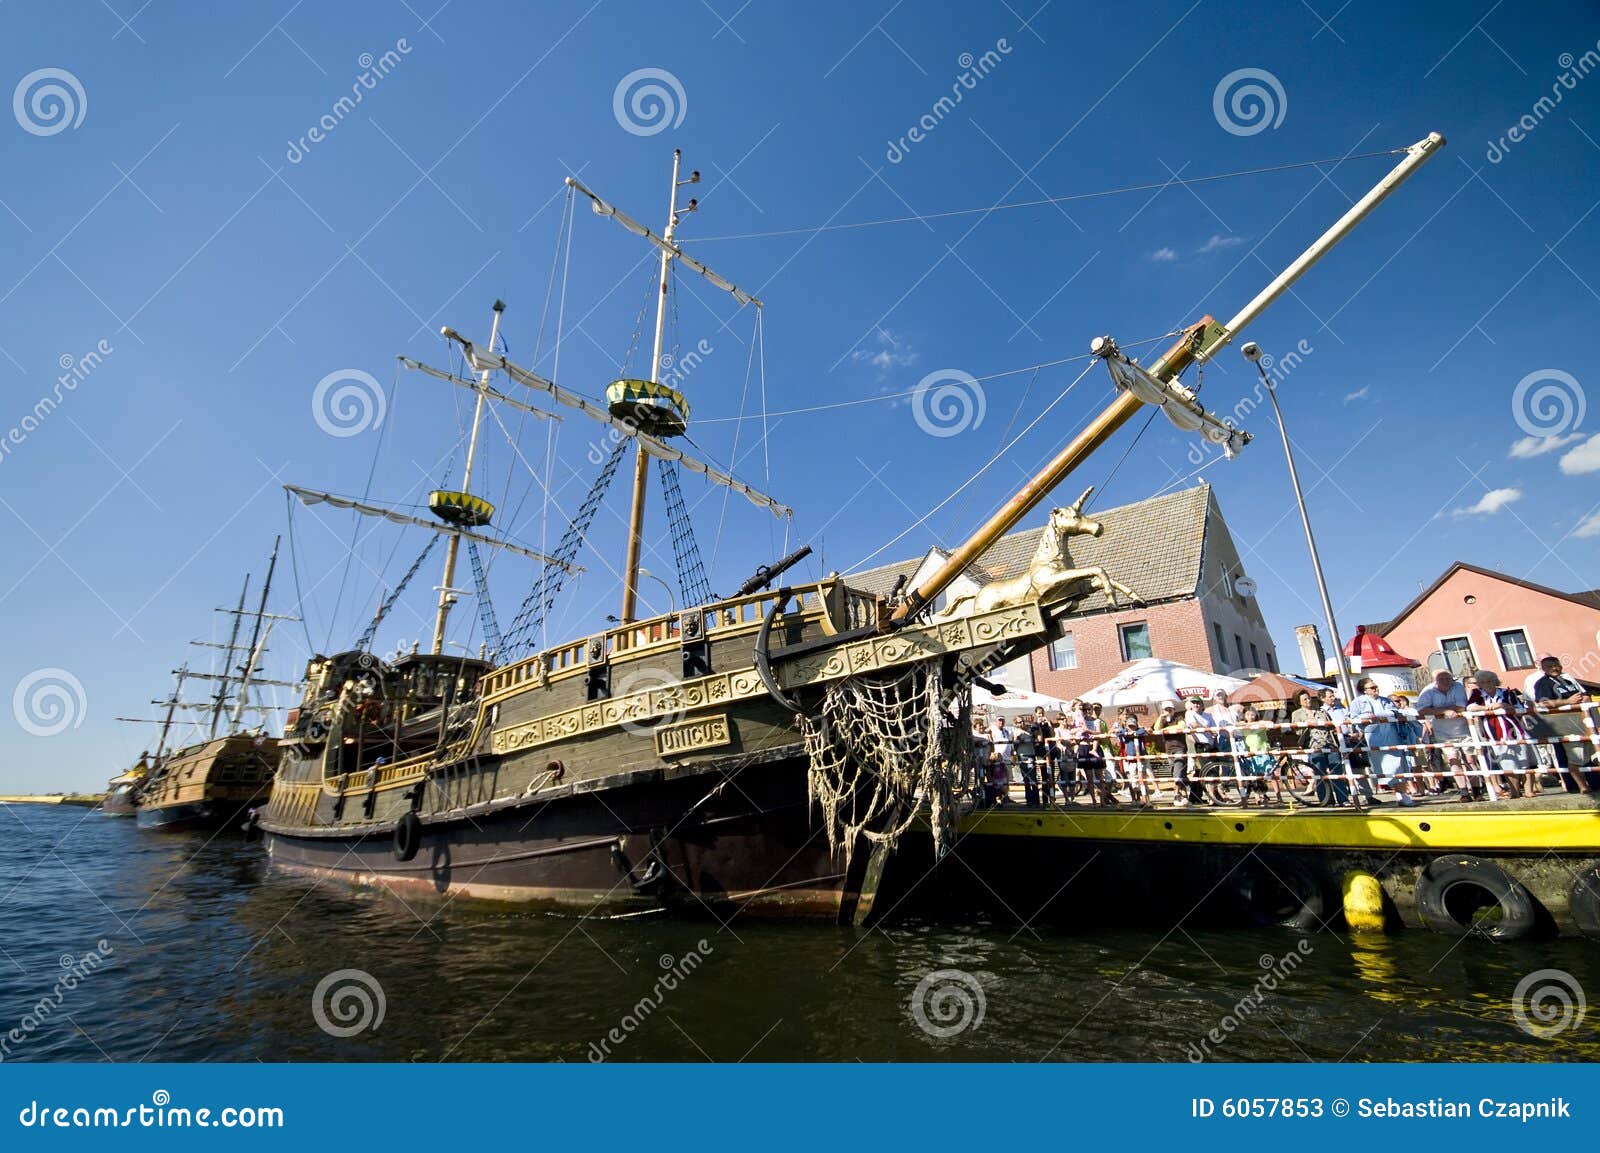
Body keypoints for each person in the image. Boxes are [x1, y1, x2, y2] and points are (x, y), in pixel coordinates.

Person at [1529, 656, 1599, 793]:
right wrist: (1568, 702)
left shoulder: (1567, 681)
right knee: (1575, 757)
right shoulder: (1542, 684)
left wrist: (1585, 697)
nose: (1554, 668)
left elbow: (1581, 695)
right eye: (1550, 666)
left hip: (1582, 723)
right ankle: (1581, 787)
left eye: (1556, 665)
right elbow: (1543, 703)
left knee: (1590, 756)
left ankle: (1594, 784)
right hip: (1564, 725)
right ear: (1543, 669)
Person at [1348, 677, 1419, 806]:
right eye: (1372, 688)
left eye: (1376, 687)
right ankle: (1399, 793)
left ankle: (1403, 795)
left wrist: (1379, 715)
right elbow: (1354, 718)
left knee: (1399, 764)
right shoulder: (1357, 702)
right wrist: (1366, 719)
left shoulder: (1385, 701)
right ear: (1364, 690)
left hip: (1392, 734)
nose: (1376, 690)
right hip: (1375, 736)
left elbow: (1393, 712)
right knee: (1386, 768)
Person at [1467, 670, 1535, 799]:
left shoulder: (1506, 692)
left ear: (1495, 681)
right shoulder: (1477, 694)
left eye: (1489, 681)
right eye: (1482, 682)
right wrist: (1489, 708)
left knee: (1524, 760)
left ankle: (1529, 790)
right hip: (1493, 733)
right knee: (1507, 761)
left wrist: (1506, 706)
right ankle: (1515, 791)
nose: (1486, 684)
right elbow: (1470, 707)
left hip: (1514, 729)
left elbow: (1520, 708)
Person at [1414, 669, 1476, 802]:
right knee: (1453, 759)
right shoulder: (1428, 691)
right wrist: (1444, 710)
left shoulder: (1458, 687)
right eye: (1441, 679)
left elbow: (1461, 706)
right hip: (1443, 731)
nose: (1446, 681)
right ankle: (1464, 791)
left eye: (1448, 678)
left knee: (1470, 759)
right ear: (1434, 680)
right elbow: (1420, 711)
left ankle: (1477, 790)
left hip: (1463, 729)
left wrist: (1438, 710)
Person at [1291, 690, 1347, 805]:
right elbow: (1296, 731)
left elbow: (1331, 726)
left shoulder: (1321, 711)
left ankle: (1343, 799)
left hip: (1329, 743)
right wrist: (1307, 723)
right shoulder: (1297, 714)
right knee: (1319, 773)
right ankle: (1326, 800)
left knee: (1336, 771)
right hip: (1313, 745)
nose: (1308, 701)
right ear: (1299, 702)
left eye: (1308, 698)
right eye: (1304, 699)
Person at [1114, 708, 1158, 805]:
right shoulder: (1125, 731)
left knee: (1143, 778)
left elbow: (1143, 731)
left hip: (1141, 758)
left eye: (1133, 725)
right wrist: (1127, 733)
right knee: (1133, 779)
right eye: (1130, 726)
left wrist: (1134, 732)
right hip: (1131, 759)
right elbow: (1118, 732)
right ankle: (1136, 799)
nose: (1131, 727)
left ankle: (1146, 799)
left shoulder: (1139, 731)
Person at [1237, 704, 1275, 806]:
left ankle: (1278, 796)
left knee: (1269, 774)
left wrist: (1259, 724)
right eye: (1248, 714)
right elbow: (1235, 724)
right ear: (1244, 715)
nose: (1250, 717)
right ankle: (1258, 796)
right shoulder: (1243, 725)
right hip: (1251, 753)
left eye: (1252, 714)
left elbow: (1270, 723)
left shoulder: (1260, 723)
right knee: (1255, 776)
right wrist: (1246, 725)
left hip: (1263, 751)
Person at [1151, 701, 1187, 806]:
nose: (1168, 711)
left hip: (1179, 747)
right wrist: (1160, 718)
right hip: (1169, 749)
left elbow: (1182, 726)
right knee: (1178, 773)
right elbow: (1156, 729)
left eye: (1170, 709)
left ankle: (1176, 794)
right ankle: (1184, 795)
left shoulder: (1178, 717)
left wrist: (1166, 729)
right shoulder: (1163, 720)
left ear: (1174, 709)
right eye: (1166, 709)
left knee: (1178, 771)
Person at [1182, 696, 1218, 803]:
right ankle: (1212, 797)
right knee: (1208, 771)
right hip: (1199, 745)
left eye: (1198, 703)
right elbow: (1194, 725)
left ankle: (1195, 797)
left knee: (1204, 771)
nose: (1196, 705)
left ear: (1202, 705)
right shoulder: (1189, 713)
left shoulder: (1208, 715)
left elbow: (1215, 730)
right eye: (1194, 703)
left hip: (1211, 744)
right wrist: (1208, 730)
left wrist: (1211, 733)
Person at [1029, 707, 1059, 805]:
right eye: (1039, 713)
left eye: (1042, 713)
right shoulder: (1034, 725)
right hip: (1041, 751)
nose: (1041, 715)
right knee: (1044, 775)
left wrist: (1049, 724)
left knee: (1052, 776)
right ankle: (1045, 800)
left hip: (1050, 751)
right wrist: (1039, 726)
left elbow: (1053, 735)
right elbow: (1039, 738)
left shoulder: (1047, 722)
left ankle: (1053, 799)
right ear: (1036, 714)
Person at [988, 716, 1015, 805]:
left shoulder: (1007, 731)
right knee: (998, 780)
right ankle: (999, 797)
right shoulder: (993, 730)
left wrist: (1013, 755)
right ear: (996, 722)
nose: (1001, 722)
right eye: (999, 721)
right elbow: (987, 733)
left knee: (1006, 779)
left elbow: (1011, 744)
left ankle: (1006, 796)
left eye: (1002, 721)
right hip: (998, 760)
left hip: (1007, 758)